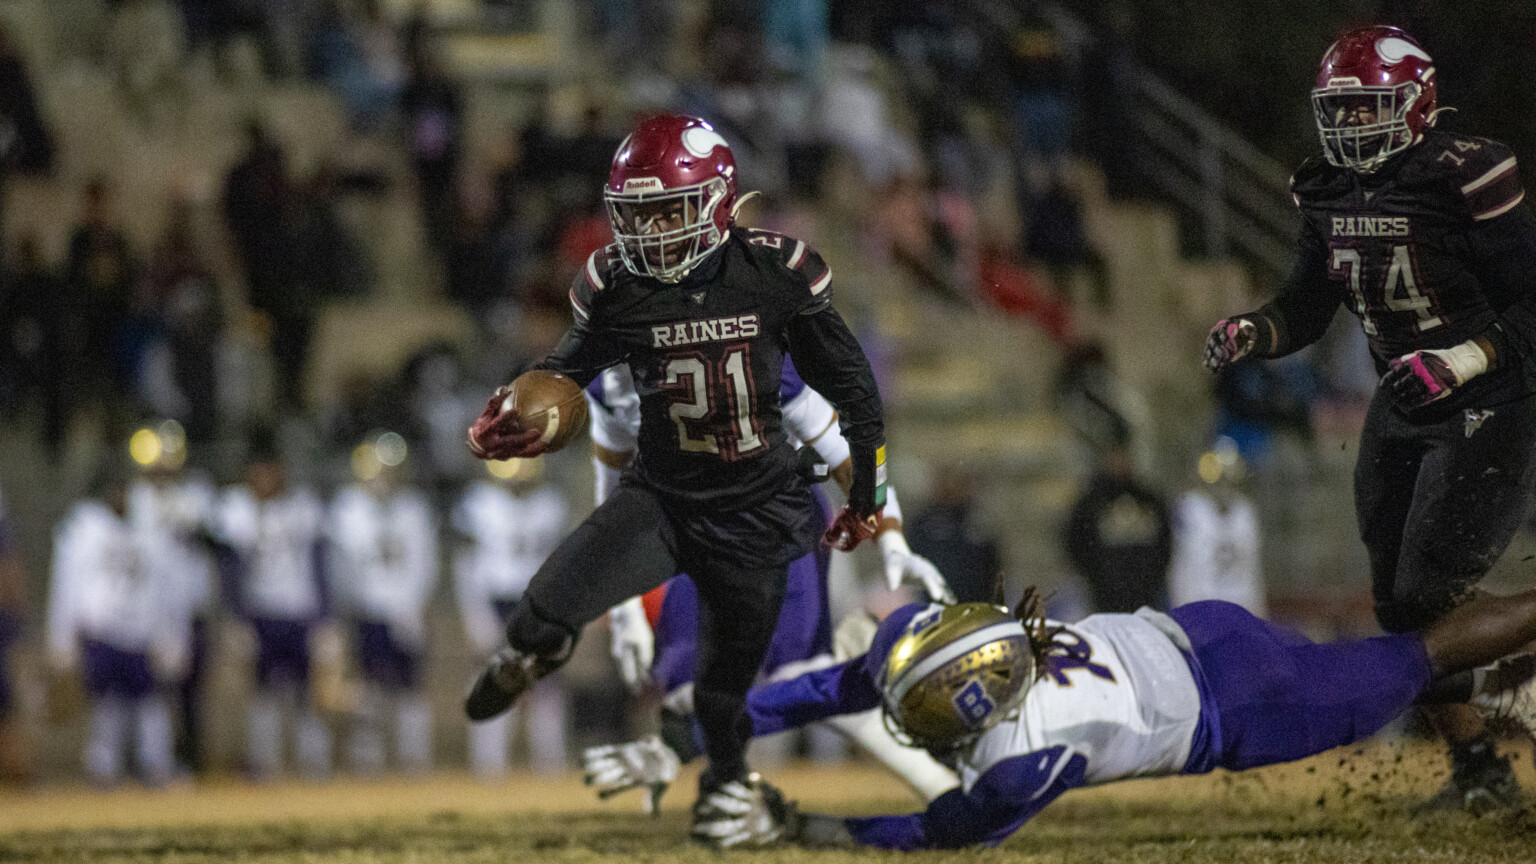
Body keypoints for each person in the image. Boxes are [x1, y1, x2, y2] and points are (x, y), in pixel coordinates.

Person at [463, 114, 889, 848]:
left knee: (722, 692)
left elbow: (854, 392)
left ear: (719, 201)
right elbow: (567, 368)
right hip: (663, 503)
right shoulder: (617, 285)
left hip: (756, 515)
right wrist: (513, 403)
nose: (653, 230)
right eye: (637, 214)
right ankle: (534, 650)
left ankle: (727, 790)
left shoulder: (777, 273)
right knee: (541, 609)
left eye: (669, 209)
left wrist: (866, 495)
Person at [1203, 25, 1536, 813]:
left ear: (1418, 104)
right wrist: (1257, 329)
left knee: (1427, 590)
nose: (1353, 128)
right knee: (1395, 604)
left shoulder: (1466, 171)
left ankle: (1513, 698)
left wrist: (1463, 359)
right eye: (1342, 112)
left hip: (1493, 393)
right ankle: (1481, 769)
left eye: (1370, 109)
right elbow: (1309, 305)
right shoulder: (1323, 187)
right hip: (1404, 394)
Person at [740, 591, 1536, 850]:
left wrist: (817, 830)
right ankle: (1514, 684)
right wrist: (731, 716)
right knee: (1390, 664)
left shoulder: (1024, 757)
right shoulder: (957, 640)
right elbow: (854, 680)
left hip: (1243, 706)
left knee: (1419, 656)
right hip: (1203, 628)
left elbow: (945, 831)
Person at [582, 359, 957, 811]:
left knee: (803, 674)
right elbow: (616, 493)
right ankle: (728, 780)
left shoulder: (755, 342)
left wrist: (892, 535)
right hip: (689, 529)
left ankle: (940, 786)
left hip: (779, 518)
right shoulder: (615, 374)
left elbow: (842, 449)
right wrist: (624, 609)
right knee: (686, 686)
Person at [47, 462, 187, 787]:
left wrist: (172, 635)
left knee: (149, 703)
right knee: (105, 703)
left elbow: (167, 586)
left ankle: (156, 766)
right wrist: (62, 636)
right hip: (103, 629)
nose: (121, 498)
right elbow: (67, 582)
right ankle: (103, 768)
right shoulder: (86, 526)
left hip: (141, 631)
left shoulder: (152, 530)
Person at [206, 431, 334, 781]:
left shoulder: (302, 507)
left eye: (270, 471)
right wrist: (234, 617)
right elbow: (228, 567)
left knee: (308, 693)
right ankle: (265, 762)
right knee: (263, 691)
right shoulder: (236, 509)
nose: (265, 480)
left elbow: (320, 564)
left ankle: (314, 763)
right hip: (260, 611)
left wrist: (326, 618)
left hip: (299, 609)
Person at [451, 456, 571, 778]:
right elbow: (465, 564)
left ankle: (550, 765)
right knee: (494, 679)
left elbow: (558, 563)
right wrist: (475, 614)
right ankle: (489, 767)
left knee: (545, 680)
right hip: (496, 598)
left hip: (536, 600)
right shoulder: (478, 502)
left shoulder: (549, 504)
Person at [328, 431, 438, 776]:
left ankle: (415, 759)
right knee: (368, 690)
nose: (385, 477)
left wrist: (416, 605)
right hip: (367, 610)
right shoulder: (347, 507)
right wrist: (344, 610)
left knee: (410, 689)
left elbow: (425, 561)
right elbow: (341, 566)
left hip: (404, 609)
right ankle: (367, 761)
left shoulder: (413, 508)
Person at [126, 419, 219, 774]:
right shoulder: (135, 499)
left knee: (190, 691)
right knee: (147, 688)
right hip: (144, 609)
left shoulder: (195, 494)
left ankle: (188, 757)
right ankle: (146, 759)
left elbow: (217, 540)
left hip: (191, 605)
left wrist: (193, 524)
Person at [1062, 442, 1172, 614]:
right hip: (1103, 595)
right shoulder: (1091, 503)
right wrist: (1094, 575)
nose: (1120, 463)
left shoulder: (1148, 499)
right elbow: (1075, 541)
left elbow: (1165, 541)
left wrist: (1153, 576)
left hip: (1145, 594)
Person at [1167, 438, 1264, 615]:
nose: (1222, 484)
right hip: (1201, 607)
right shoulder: (1191, 509)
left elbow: (1254, 571)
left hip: (1241, 605)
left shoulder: (1244, 512)